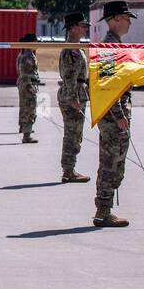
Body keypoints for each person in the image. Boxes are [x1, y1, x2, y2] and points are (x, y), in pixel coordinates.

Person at [93, 1, 137, 228]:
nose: (129, 22)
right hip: (113, 117)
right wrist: (119, 114)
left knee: (114, 163)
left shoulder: (115, 45)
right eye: (127, 18)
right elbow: (108, 84)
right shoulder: (109, 47)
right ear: (116, 19)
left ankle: (104, 208)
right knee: (111, 163)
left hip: (116, 114)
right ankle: (103, 211)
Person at [57, 12, 91, 183]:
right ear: (73, 28)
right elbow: (70, 76)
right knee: (72, 133)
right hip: (74, 93)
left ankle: (69, 168)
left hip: (77, 91)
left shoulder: (75, 47)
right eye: (82, 25)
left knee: (74, 133)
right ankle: (68, 171)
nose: (85, 28)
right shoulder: (72, 49)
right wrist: (72, 97)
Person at [15, 32, 40, 144]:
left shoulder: (26, 54)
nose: (37, 44)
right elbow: (26, 73)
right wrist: (30, 86)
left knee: (26, 108)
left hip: (26, 84)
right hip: (28, 85)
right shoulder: (28, 56)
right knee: (29, 109)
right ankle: (26, 135)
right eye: (35, 42)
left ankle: (25, 130)